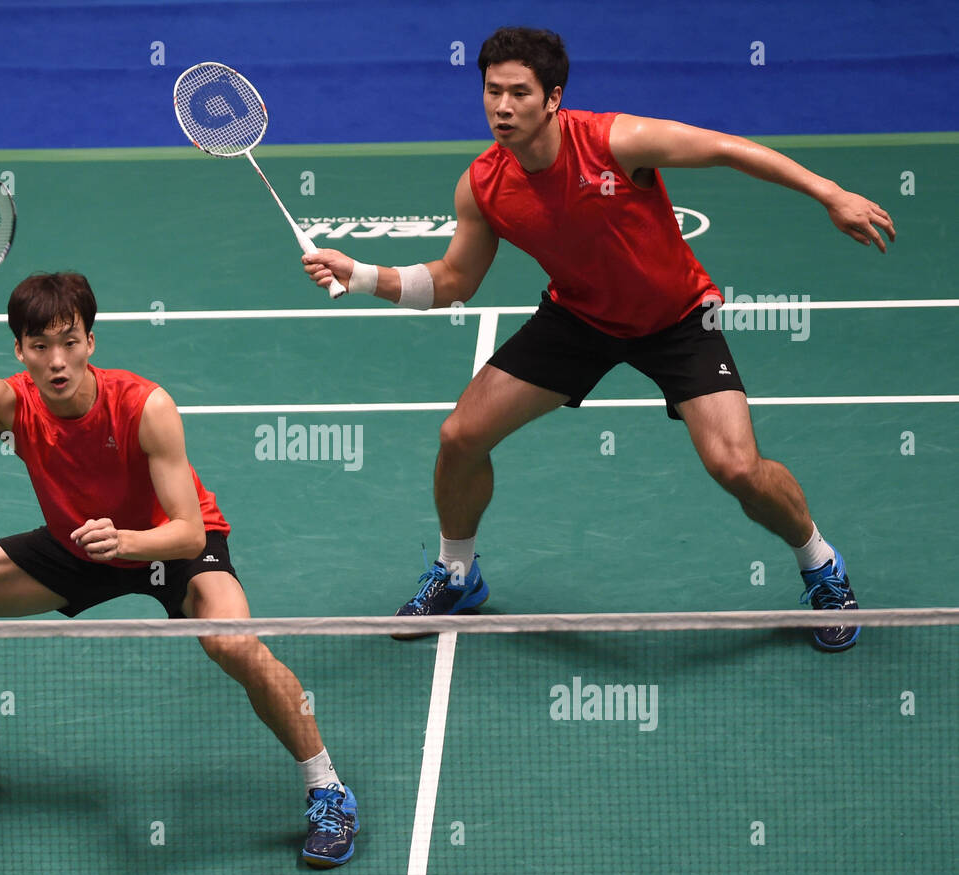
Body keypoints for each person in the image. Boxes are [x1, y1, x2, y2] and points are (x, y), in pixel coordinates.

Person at [303, 26, 894, 651]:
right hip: (579, 320)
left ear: (552, 97)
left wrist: (830, 193)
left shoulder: (616, 140)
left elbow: (724, 148)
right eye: (492, 92)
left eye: (519, 94)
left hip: (677, 319)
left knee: (737, 467)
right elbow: (454, 280)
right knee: (460, 437)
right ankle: (457, 573)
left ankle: (820, 564)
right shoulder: (482, 185)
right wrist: (361, 275)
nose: (502, 107)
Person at [0, 272, 357, 868]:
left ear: (91, 341)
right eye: (40, 346)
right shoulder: (6, 398)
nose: (57, 360)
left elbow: (190, 531)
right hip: (78, 545)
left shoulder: (145, 405)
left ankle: (327, 788)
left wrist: (127, 542)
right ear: (20, 350)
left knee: (239, 646)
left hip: (163, 546)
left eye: (69, 342)